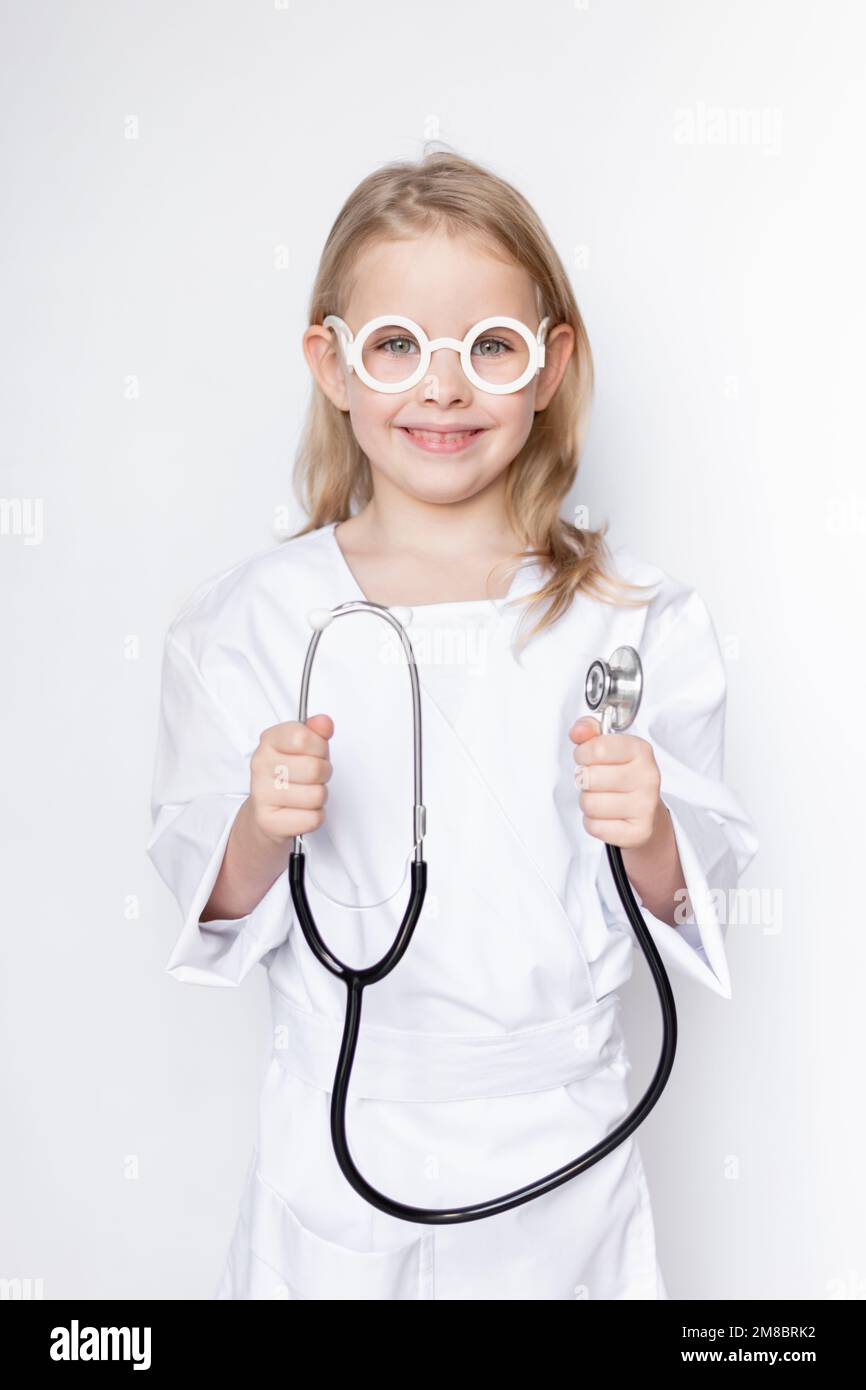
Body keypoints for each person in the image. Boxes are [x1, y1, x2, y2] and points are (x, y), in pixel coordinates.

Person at [146, 149, 758, 1300]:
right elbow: (208, 906)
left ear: (549, 365)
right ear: (329, 363)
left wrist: (652, 831)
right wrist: (256, 829)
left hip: (562, 1158)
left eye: (489, 347)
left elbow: (693, 902)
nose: (442, 389)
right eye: (395, 347)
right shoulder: (253, 622)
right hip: (338, 1157)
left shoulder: (632, 620)